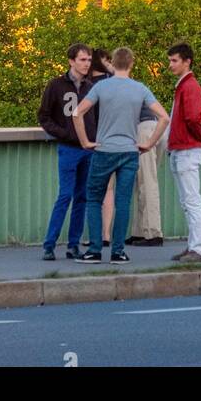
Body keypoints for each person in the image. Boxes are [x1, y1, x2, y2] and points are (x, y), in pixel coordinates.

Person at [73, 46, 169, 262]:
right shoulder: (140, 88)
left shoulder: (101, 87)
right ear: (131, 64)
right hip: (129, 151)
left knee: (94, 199)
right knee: (123, 202)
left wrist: (85, 141)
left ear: (113, 63)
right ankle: (118, 252)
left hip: (104, 150)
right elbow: (164, 117)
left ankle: (95, 249)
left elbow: (77, 113)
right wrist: (149, 144)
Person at [38, 43, 94, 261]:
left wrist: (93, 138)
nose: (86, 64)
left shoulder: (91, 87)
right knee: (65, 195)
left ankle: (73, 244)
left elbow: (97, 115)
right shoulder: (56, 85)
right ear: (71, 61)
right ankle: (49, 244)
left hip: (88, 149)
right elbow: (44, 116)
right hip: (68, 148)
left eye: (89, 60)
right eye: (82, 60)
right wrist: (63, 133)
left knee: (82, 197)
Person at [167, 42, 201, 263]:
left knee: (191, 201)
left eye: (174, 60)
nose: (170, 65)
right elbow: (192, 119)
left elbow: (192, 118)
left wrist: (200, 136)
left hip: (186, 149)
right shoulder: (185, 86)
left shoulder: (189, 86)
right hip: (182, 148)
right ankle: (194, 245)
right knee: (188, 201)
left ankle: (199, 249)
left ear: (187, 62)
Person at [127, 100, 165, 246]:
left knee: (147, 182)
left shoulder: (113, 89)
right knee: (143, 181)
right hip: (156, 127)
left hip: (144, 130)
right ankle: (140, 232)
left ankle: (153, 233)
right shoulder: (140, 89)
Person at [89, 48, 116, 246]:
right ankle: (106, 234)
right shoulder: (113, 83)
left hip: (94, 140)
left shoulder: (88, 85)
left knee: (93, 190)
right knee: (109, 189)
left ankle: (96, 236)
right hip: (113, 138)